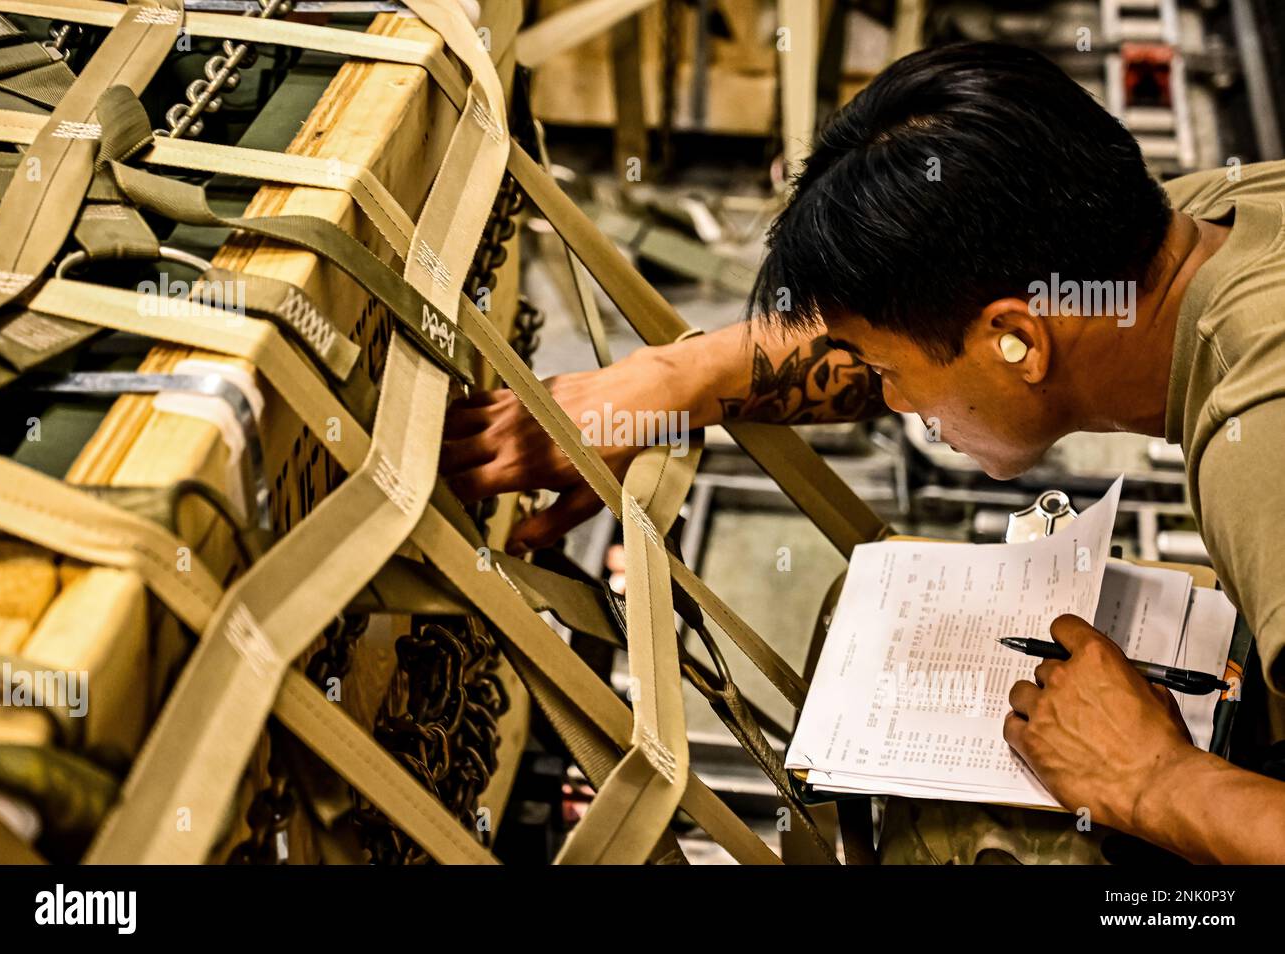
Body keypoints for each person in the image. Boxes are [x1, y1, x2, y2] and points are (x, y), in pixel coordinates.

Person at [441, 42, 1285, 863]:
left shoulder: (1261, 442)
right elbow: (932, 309)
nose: (886, 398)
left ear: (1017, 341)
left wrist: (1153, 780)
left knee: (969, 842)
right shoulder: (1213, 222)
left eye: (887, 374)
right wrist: (672, 382)